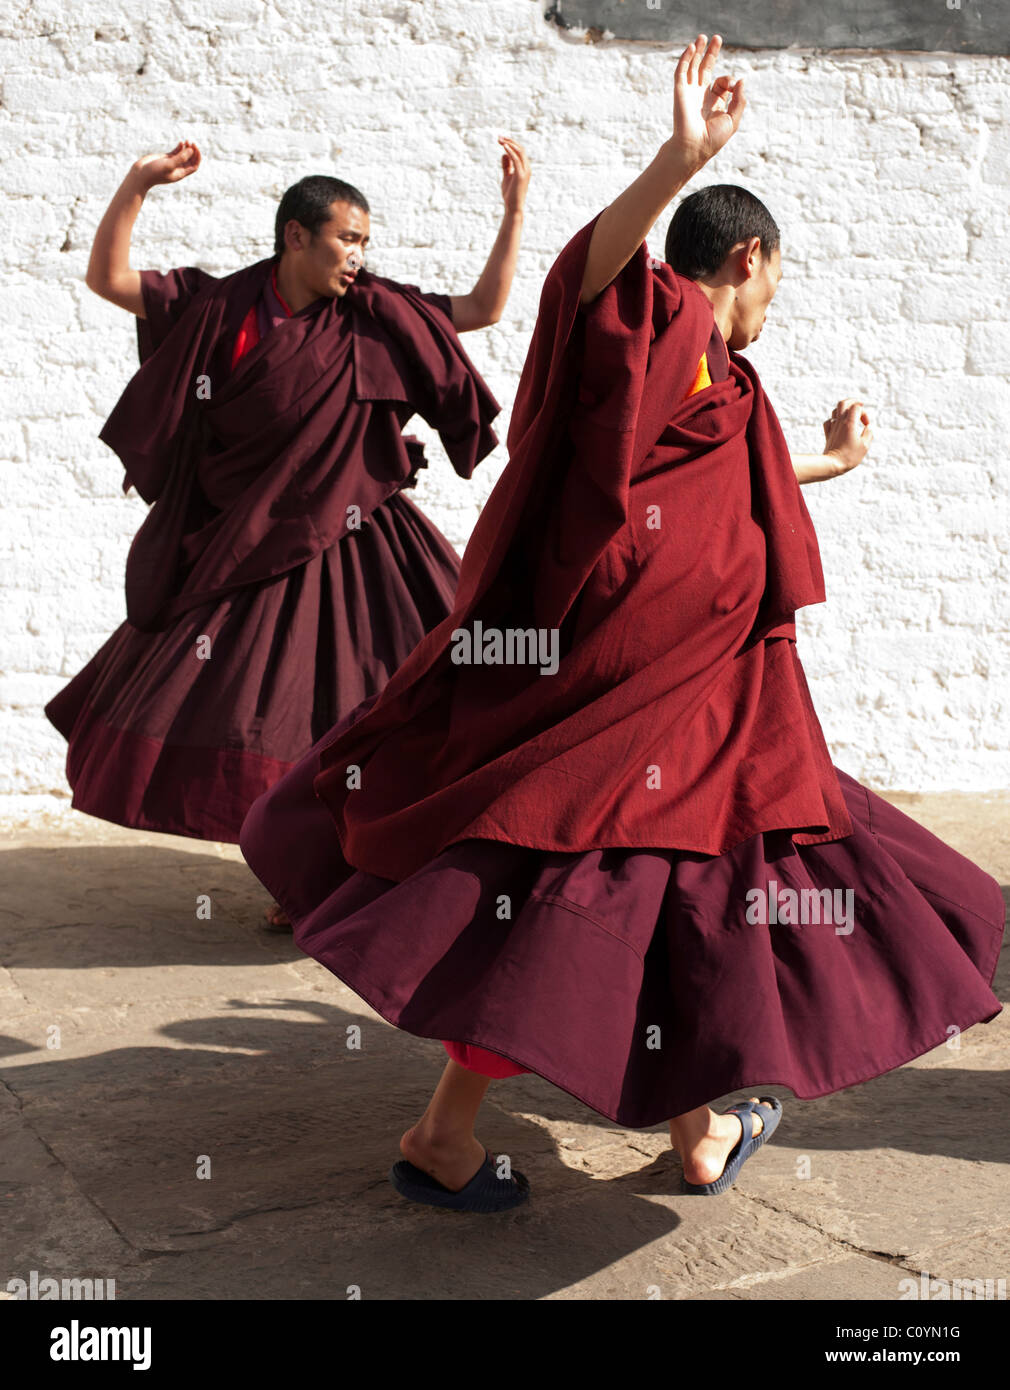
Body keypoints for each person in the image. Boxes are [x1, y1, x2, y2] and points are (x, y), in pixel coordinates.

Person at [239, 35, 1005, 1210]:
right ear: (742, 259)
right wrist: (673, 158)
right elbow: (585, 282)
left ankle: (669, 1133)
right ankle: (458, 1134)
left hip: (700, 700)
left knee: (658, 900)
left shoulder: (724, 386)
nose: (766, 310)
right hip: (622, 694)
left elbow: (717, 481)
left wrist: (830, 466)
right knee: (598, 895)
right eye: (770, 285)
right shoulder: (656, 324)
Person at [45, 136, 529, 928]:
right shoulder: (221, 308)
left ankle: (366, 868)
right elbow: (108, 279)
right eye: (347, 239)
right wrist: (137, 184)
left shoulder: (376, 316)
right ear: (296, 237)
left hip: (359, 536)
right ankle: (297, 872)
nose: (357, 257)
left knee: (396, 695)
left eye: (366, 242)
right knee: (257, 715)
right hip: (246, 545)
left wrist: (512, 212)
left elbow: (481, 310)